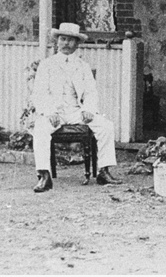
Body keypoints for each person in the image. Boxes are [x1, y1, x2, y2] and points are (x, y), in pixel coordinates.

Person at [31, 22, 121, 193]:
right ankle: (44, 175)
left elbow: (91, 92)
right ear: (57, 41)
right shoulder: (47, 65)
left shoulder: (83, 66)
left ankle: (103, 171)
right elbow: (39, 93)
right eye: (63, 39)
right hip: (55, 112)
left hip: (75, 111)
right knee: (40, 128)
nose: (66, 43)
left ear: (77, 43)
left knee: (105, 125)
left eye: (70, 40)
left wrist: (88, 109)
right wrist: (50, 112)